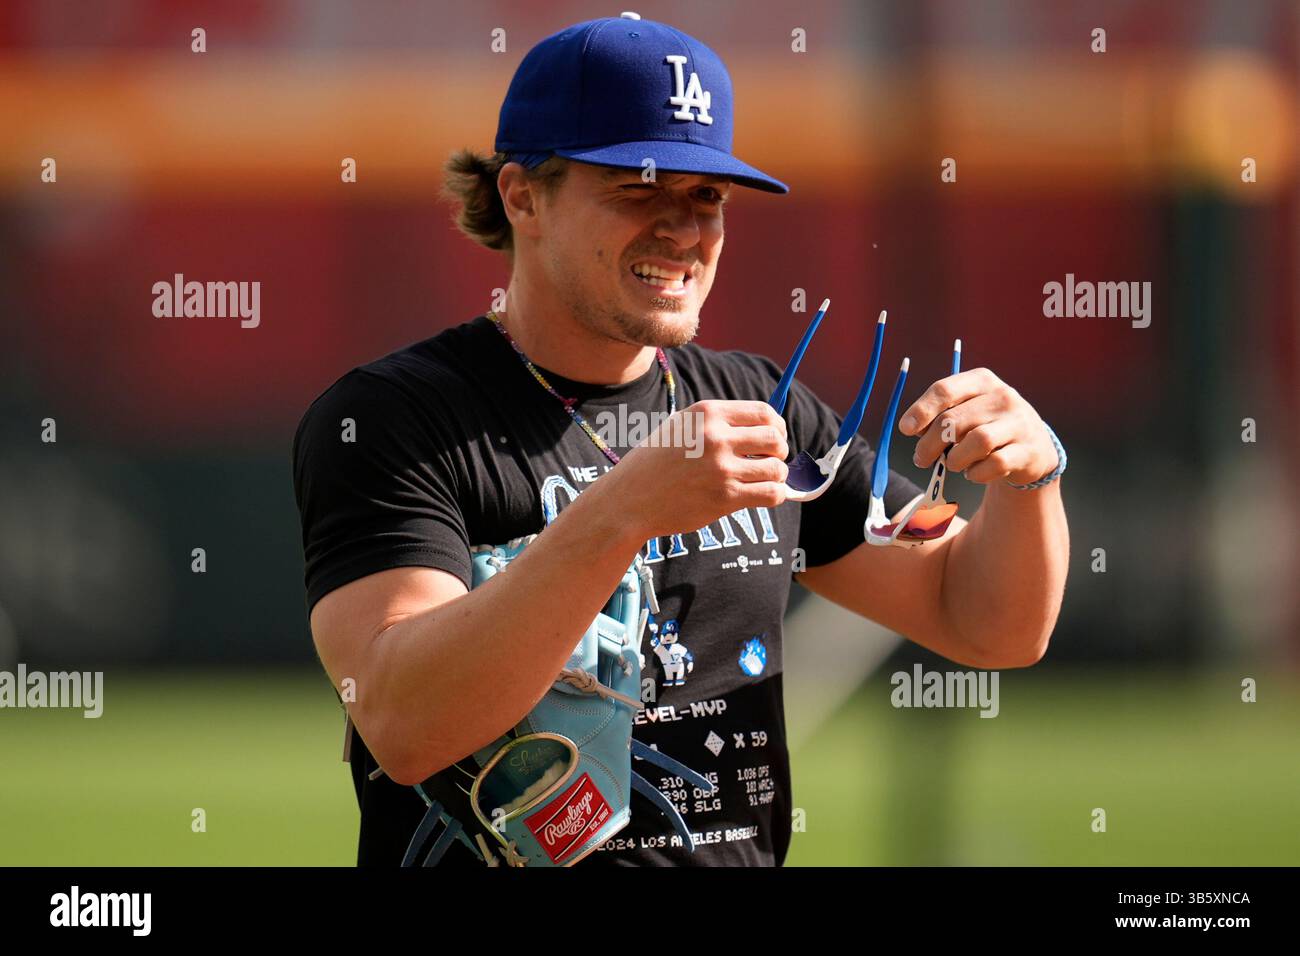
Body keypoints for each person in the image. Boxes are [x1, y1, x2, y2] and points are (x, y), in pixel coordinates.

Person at [291, 12, 1069, 867]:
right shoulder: (396, 419)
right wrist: (621, 511)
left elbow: (987, 622)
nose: (685, 230)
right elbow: (405, 723)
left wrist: (1030, 482)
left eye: (707, 196)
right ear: (522, 196)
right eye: (637, 188)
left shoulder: (761, 405)